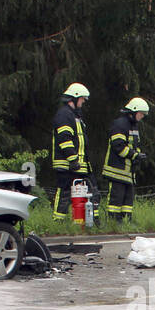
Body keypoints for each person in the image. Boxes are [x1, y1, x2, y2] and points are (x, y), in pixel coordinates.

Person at [102, 97, 149, 222]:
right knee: (116, 199)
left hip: (128, 172)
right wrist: (134, 155)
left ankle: (126, 222)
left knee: (128, 200)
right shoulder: (120, 124)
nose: (142, 117)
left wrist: (138, 155)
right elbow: (118, 147)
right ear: (133, 111)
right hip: (116, 170)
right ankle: (113, 222)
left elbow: (134, 146)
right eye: (141, 114)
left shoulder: (134, 126)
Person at [51, 82, 91, 218]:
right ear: (74, 97)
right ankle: (57, 221)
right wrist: (73, 159)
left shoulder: (75, 116)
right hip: (66, 164)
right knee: (64, 194)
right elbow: (65, 140)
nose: (83, 102)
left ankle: (76, 221)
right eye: (82, 99)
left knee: (77, 195)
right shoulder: (64, 115)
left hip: (75, 165)